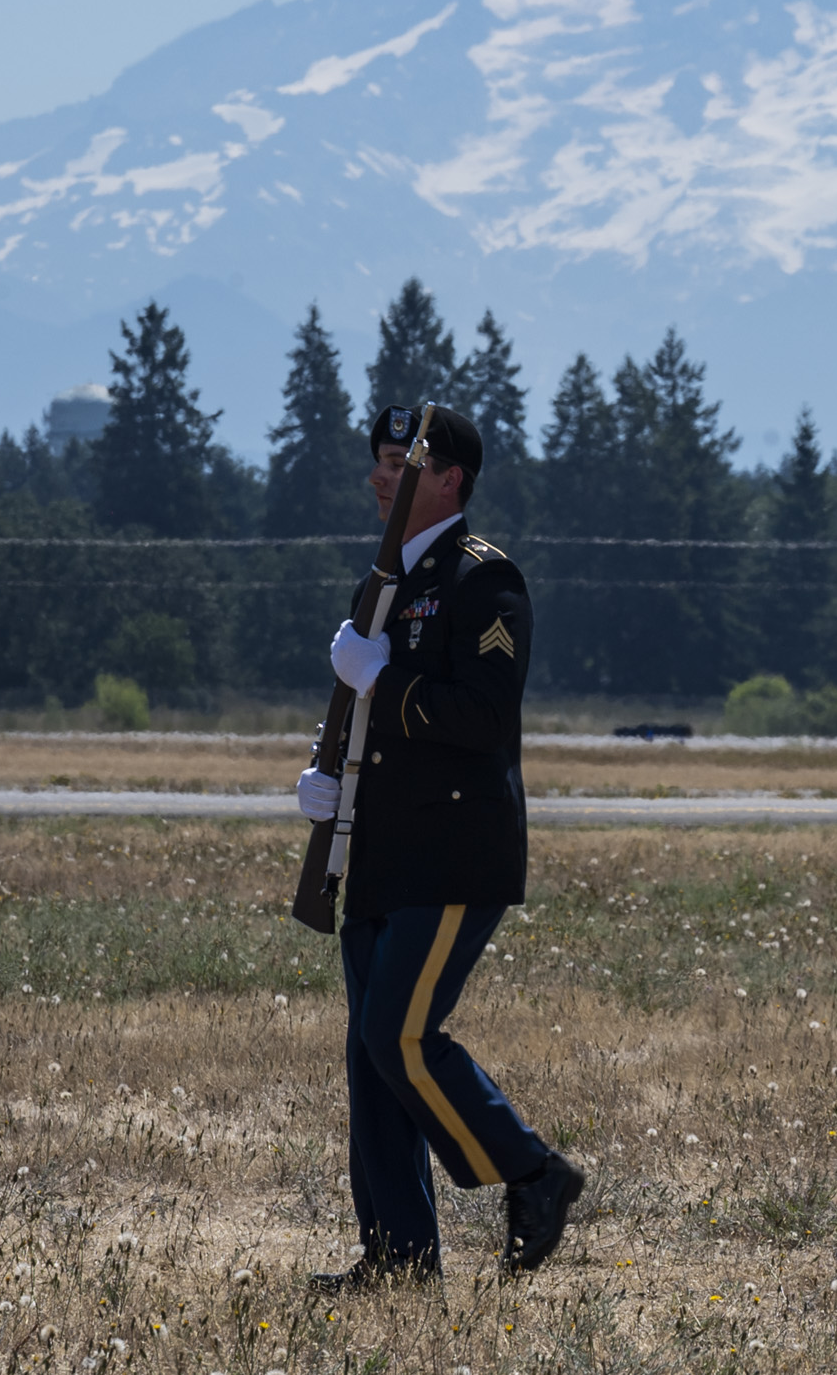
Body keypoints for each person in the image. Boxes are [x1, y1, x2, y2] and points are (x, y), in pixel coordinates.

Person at [295, 404, 585, 1288]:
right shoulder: (381, 585)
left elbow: (484, 716)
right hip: (380, 854)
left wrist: (384, 679)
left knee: (401, 1036)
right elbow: (368, 727)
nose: (382, 478)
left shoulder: (483, 581)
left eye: (399, 462)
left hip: (455, 852)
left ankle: (534, 1171)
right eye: (380, 463)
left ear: (448, 476)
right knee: (371, 1059)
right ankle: (397, 1256)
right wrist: (329, 777)